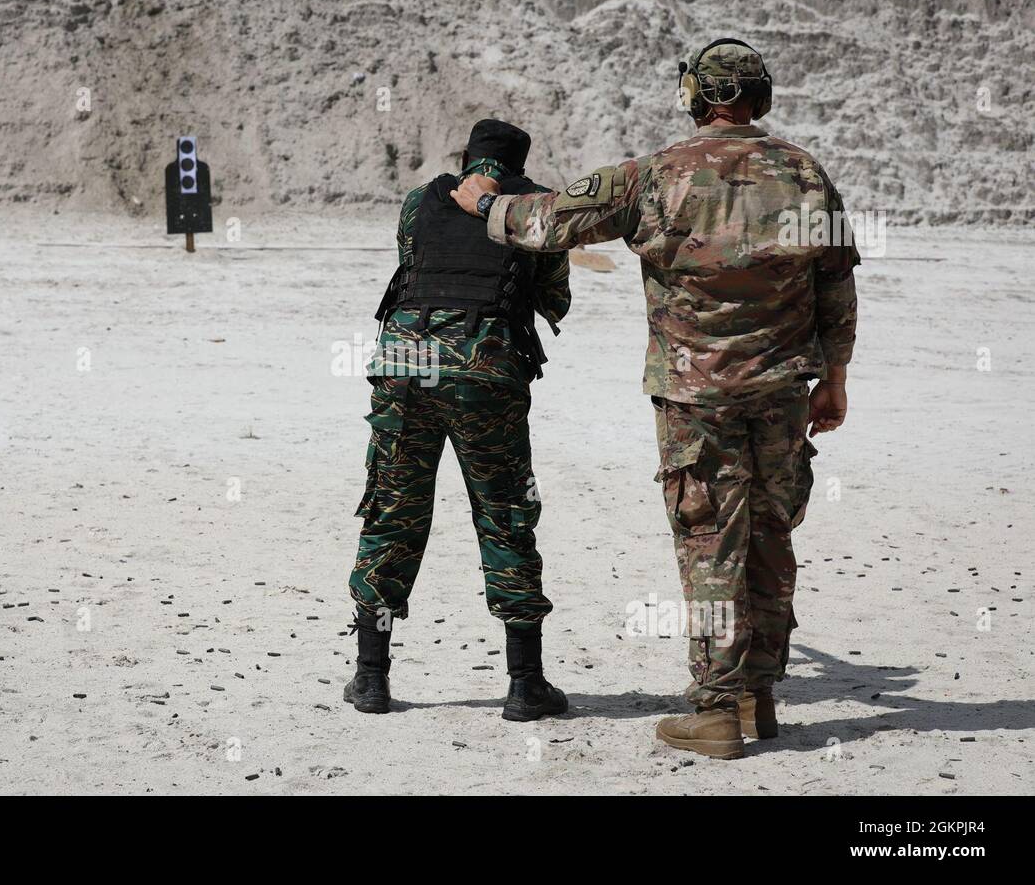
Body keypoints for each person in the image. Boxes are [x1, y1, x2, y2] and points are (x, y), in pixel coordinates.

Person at [451, 41, 859, 758]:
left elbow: (548, 222)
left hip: (695, 400)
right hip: (781, 394)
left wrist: (484, 201)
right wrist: (835, 379)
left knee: (709, 544)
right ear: (760, 99)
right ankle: (758, 697)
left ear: (697, 96)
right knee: (770, 538)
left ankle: (714, 710)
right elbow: (836, 288)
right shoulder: (804, 173)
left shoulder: (656, 175)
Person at [345, 119, 572, 721]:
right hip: (485, 370)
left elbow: (411, 265)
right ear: (521, 166)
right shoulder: (538, 208)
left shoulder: (420, 199)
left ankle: (371, 679)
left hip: (403, 360)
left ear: (466, 156)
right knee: (505, 516)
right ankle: (525, 686)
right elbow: (556, 300)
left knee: (393, 511)